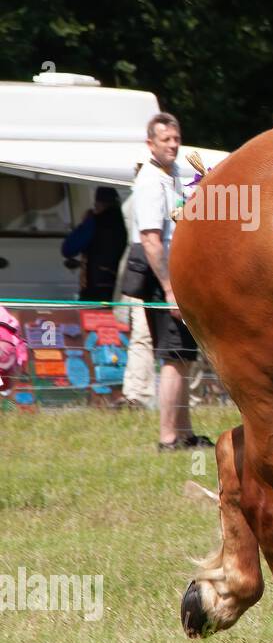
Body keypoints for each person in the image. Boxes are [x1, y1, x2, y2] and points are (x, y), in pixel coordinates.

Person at [132, 112, 211, 450]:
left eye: (176, 139)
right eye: (166, 140)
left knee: (184, 356)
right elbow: (151, 239)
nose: (173, 145)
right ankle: (168, 438)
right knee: (173, 355)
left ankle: (185, 433)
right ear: (151, 144)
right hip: (162, 276)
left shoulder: (177, 174)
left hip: (179, 275)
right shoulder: (150, 180)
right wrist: (168, 289)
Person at [61, 187, 127, 302]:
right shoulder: (126, 222)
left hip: (95, 286)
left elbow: (68, 248)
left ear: (98, 204)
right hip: (122, 286)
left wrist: (85, 221)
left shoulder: (94, 221)